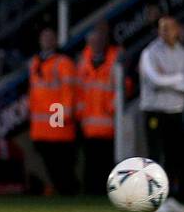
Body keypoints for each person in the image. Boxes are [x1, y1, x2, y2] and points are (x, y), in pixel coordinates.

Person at [138, 15, 184, 212]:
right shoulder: (149, 53)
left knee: (174, 156)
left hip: (175, 111)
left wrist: (168, 79)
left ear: (176, 30)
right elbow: (154, 80)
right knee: (155, 155)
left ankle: (169, 198)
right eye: (161, 29)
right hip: (154, 111)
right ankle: (154, 200)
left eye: (168, 28)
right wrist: (178, 78)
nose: (165, 33)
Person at [28, 27, 78, 197]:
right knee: (48, 161)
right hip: (40, 124)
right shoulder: (35, 62)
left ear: (56, 40)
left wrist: (59, 119)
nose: (47, 41)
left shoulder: (63, 62)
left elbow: (68, 91)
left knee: (61, 161)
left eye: (50, 37)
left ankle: (67, 191)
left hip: (56, 122)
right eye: (44, 37)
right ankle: (58, 190)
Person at [74, 21, 121, 197]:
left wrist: (113, 107)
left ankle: (106, 192)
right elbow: (78, 90)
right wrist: (78, 114)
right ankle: (90, 192)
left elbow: (124, 86)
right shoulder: (83, 61)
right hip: (88, 123)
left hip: (109, 122)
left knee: (107, 161)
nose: (96, 43)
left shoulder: (115, 58)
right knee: (90, 162)